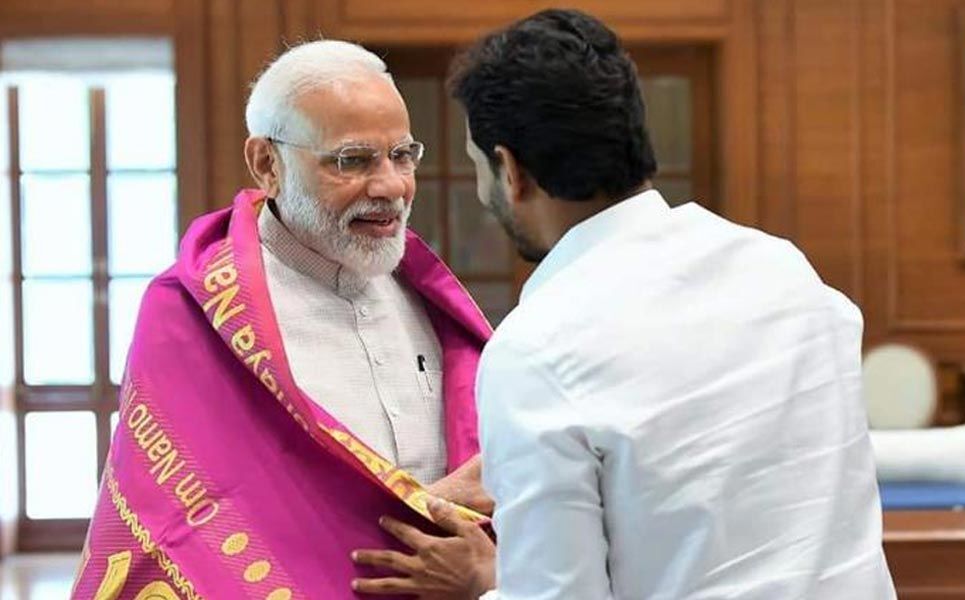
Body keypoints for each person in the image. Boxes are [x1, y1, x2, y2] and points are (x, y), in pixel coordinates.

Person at [353, 9, 897, 599]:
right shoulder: (783, 269)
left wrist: (486, 581)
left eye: (477, 164)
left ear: (509, 170)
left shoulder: (538, 348)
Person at [71, 40, 492, 599]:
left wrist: (490, 556)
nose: (391, 185)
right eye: (354, 160)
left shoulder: (430, 299)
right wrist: (421, 510)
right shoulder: (190, 312)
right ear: (268, 164)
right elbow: (183, 527)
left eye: (403, 155)